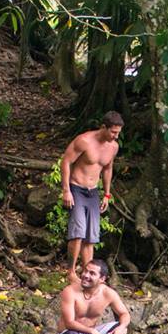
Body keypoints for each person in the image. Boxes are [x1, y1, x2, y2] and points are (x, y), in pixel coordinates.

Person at [58, 112, 122, 274]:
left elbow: (108, 168)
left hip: (93, 192)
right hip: (76, 188)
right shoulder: (84, 141)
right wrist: (66, 190)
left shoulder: (113, 147)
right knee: (77, 233)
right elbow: (66, 161)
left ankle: (88, 274)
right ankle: (71, 272)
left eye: (118, 133)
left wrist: (107, 194)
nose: (115, 136)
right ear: (103, 127)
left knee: (91, 237)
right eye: (113, 132)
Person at [55, 260, 131, 334]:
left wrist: (120, 328)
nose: (85, 275)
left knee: (122, 331)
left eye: (92, 273)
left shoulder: (108, 293)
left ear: (102, 279)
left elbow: (125, 314)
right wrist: (93, 332)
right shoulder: (70, 291)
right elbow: (69, 323)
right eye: (85, 271)